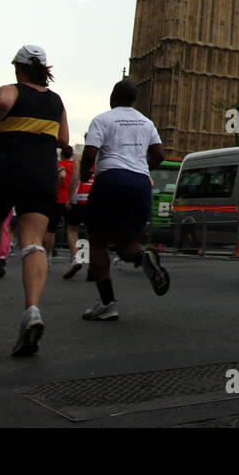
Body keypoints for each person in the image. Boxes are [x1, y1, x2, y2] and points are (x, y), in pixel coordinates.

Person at [0, 44, 69, 357]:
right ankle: (32, 311)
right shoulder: (56, 100)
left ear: (18, 66)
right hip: (41, 174)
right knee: (33, 243)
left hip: (3, 170)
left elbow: (5, 102)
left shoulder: (10, 89)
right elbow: (63, 141)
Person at [76, 80, 170, 321]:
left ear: (112, 97)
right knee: (127, 243)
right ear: (134, 100)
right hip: (139, 183)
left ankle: (107, 303)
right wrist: (142, 169)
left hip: (110, 179)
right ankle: (143, 257)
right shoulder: (146, 122)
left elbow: (89, 153)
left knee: (97, 243)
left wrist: (85, 172)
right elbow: (160, 154)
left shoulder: (103, 119)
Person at [46, 145, 75, 262]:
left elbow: (61, 176)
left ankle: (48, 257)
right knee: (73, 230)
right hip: (72, 200)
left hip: (58, 199)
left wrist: (56, 184)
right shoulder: (75, 166)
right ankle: (77, 257)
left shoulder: (58, 165)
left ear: (62, 154)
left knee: (51, 229)